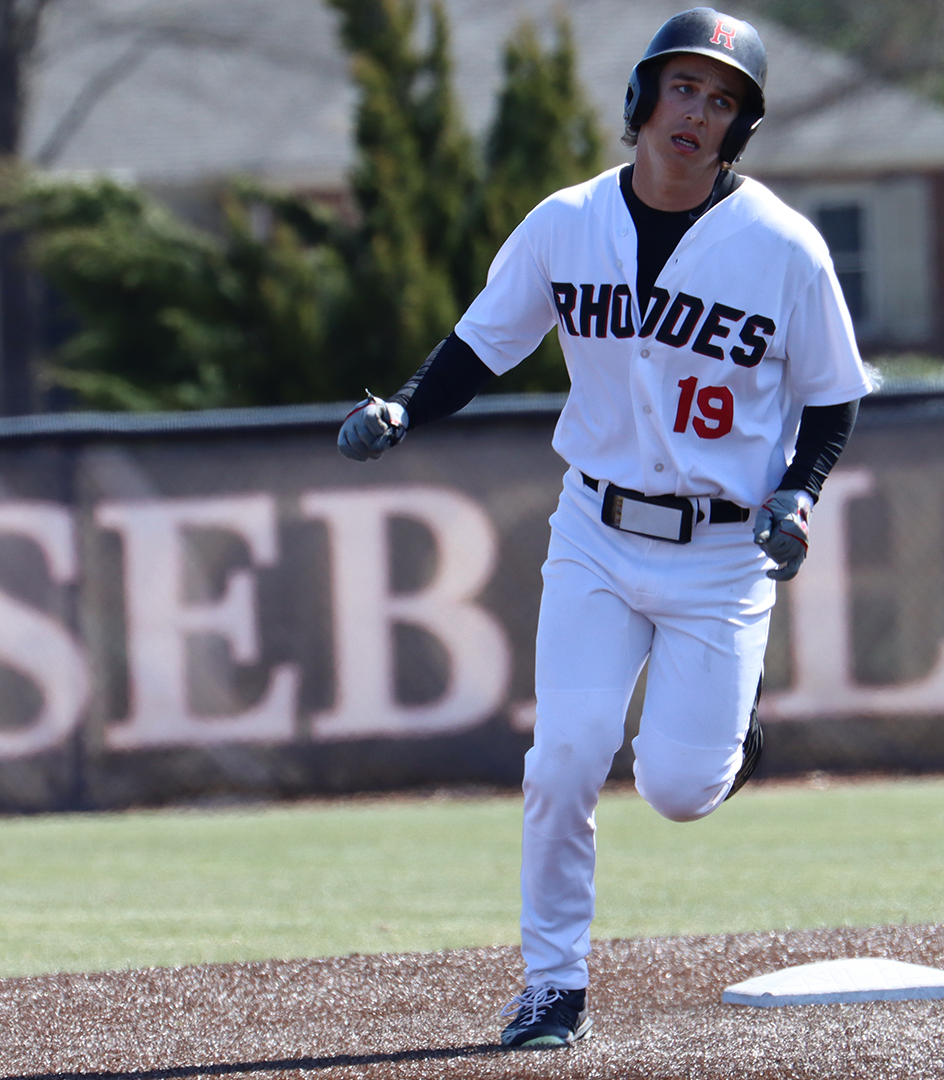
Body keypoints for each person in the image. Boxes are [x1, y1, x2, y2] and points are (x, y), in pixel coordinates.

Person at [336, 6, 872, 1049]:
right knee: (566, 757)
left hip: (723, 551)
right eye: (683, 88)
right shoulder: (566, 222)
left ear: (739, 131)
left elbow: (834, 393)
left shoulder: (781, 246)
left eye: (722, 102)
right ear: (641, 99)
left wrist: (799, 492)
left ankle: (730, 742)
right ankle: (553, 985)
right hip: (595, 530)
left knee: (676, 789)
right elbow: (481, 345)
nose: (697, 113)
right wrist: (403, 408)